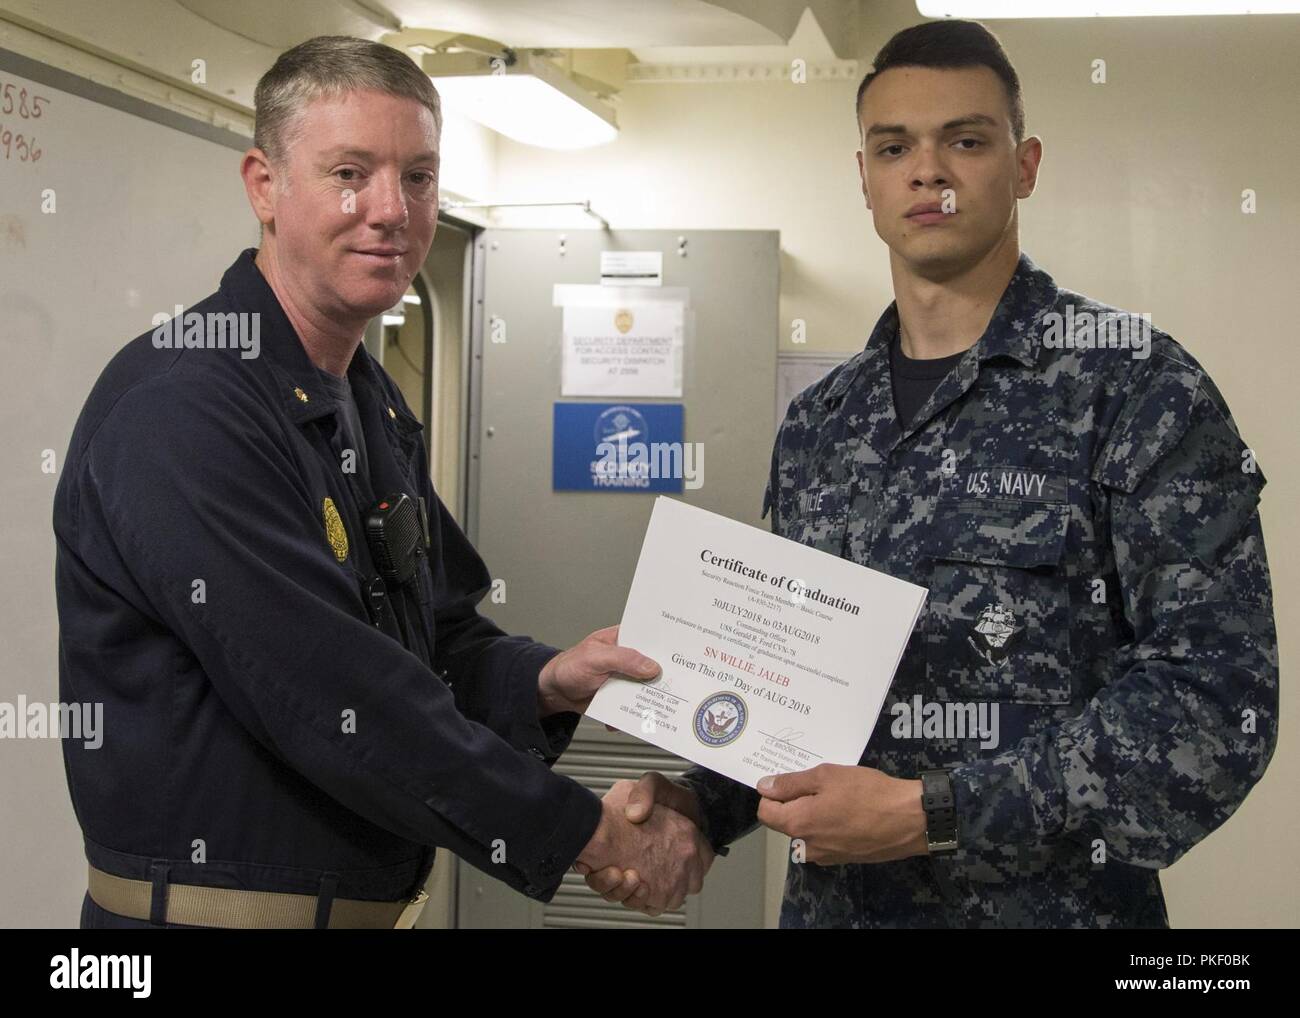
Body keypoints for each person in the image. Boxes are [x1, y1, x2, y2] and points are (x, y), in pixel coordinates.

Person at [583, 19, 1278, 928]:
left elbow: (1214, 708)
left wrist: (934, 815)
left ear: (1024, 166)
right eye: (893, 146)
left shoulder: (1138, 390)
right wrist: (698, 812)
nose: (928, 171)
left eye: (966, 140)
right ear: (864, 178)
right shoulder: (821, 426)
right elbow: (784, 679)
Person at [54, 35, 712, 929]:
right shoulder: (188, 405)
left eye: (419, 178)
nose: (390, 211)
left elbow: (432, 639)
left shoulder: (361, 398)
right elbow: (333, 693)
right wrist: (588, 833)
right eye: (349, 174)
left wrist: (547, 679)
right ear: (263, 185)